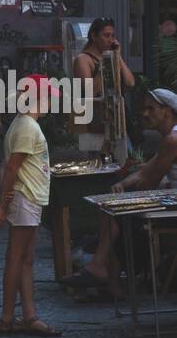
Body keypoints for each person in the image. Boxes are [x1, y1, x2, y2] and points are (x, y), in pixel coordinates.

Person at [61, 88, 177, 294]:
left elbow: (149, 181)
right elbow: (148, 170)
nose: (145, 114)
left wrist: (127, 193)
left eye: (151, 109)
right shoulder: (169, 139)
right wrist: (124, 185)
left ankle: (103, 272)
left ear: (166, 111)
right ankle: (103, 273)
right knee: (110, 209)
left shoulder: (171, 141)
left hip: (171, 208)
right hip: (170, 201)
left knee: (115, 213)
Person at [0, 75, 61, 336]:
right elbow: (12, 167)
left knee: (25, 258)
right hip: (25, 196)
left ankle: (27, 316)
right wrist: (3, 204)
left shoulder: (23, 124)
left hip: (29, 196)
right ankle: (8, 318)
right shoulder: (27, 126)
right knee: (17, 256)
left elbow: (10, 166)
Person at [73, 18, 136, 153]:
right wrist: (104, 66)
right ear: (94, 36)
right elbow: (90, 93)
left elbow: (130, 83)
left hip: (116, 120)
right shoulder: (83, 59)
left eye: (113, 36)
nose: (111, 40)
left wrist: (117, 56)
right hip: (94, 122)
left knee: (126, 159)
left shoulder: (112, 56)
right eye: (106, 35)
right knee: (98, 163)